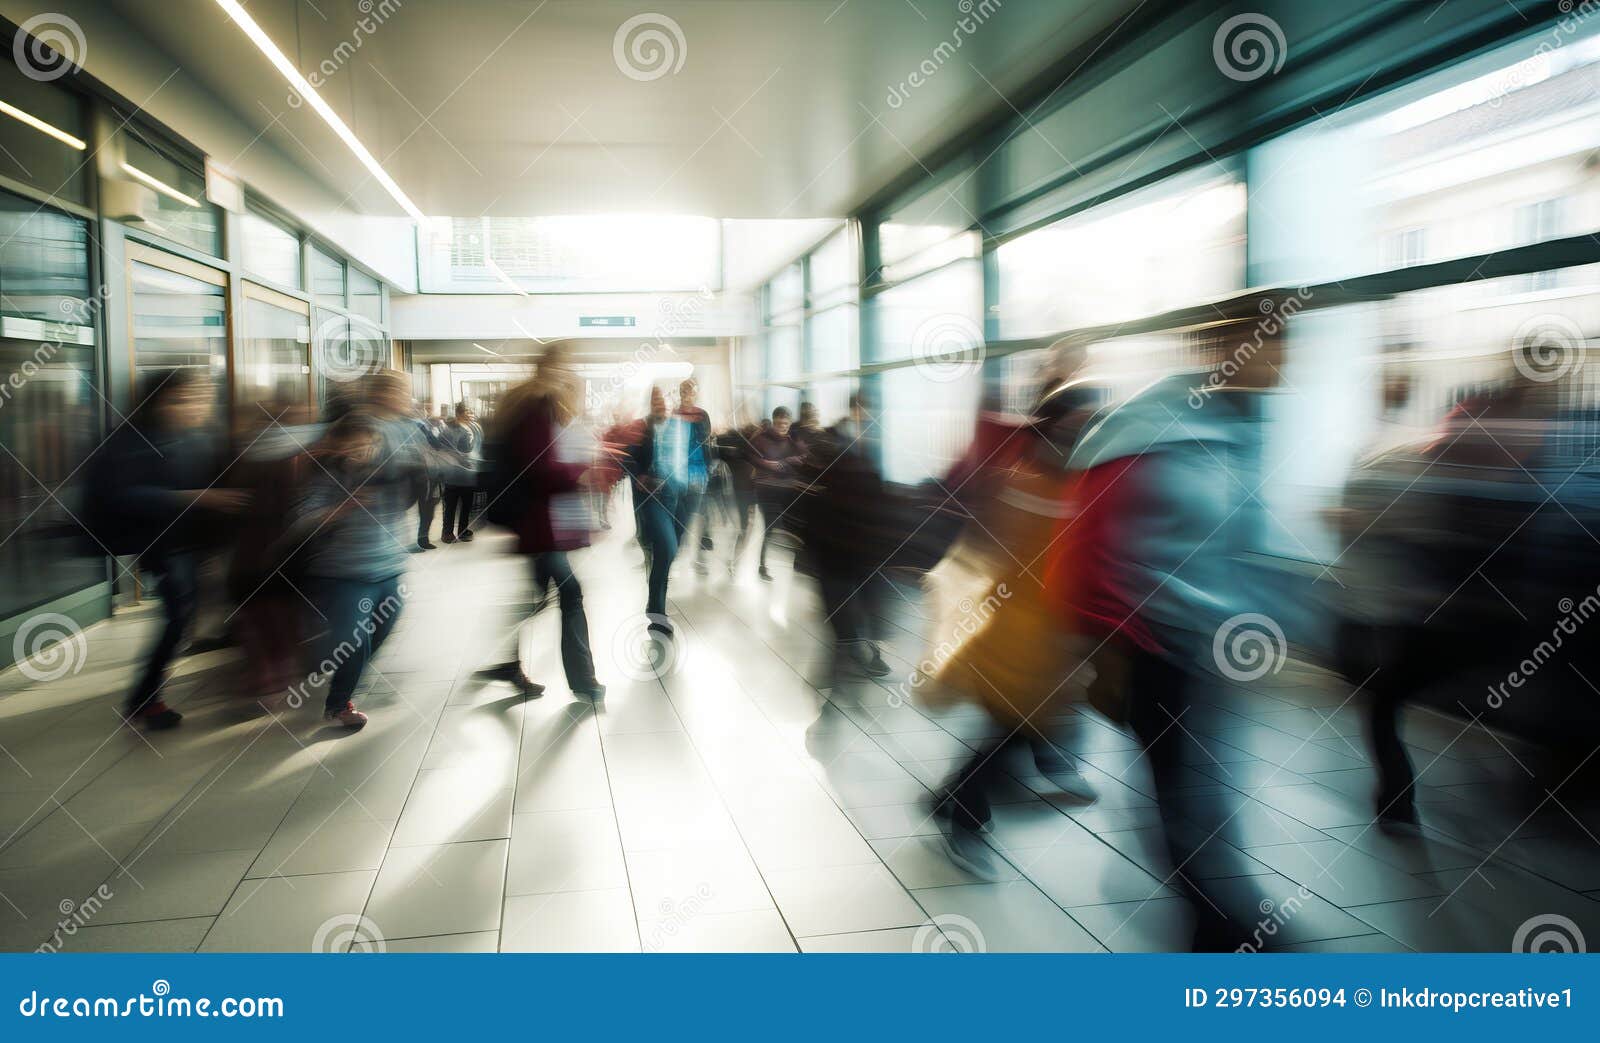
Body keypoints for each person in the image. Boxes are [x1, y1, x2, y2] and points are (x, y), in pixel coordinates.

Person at [1051, 324, 1284, 951]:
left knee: (1198, 785)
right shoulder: (1149, 430)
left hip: (1212, 647)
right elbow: (1087, 552)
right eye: (1276, 343)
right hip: (1157, 647)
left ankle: (1218, 913)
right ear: (1231, 347)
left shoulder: (1242, 431)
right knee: (1182, 785)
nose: (1287, 361)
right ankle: (1218, 922)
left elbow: (1235, 545)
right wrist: (1114, 643)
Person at [86, 369, 247, 729]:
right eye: (184, 399)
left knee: (186, 617)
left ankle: (146, 697)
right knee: (178, 618)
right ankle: (144, 699)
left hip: (197, 542)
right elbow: (120, 497)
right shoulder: (130, 441)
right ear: (158, 400)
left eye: (202, 398)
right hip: (164, 544)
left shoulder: (199, 437)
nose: (197, 406)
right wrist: (196, 498)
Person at [294, 371, 439, 729]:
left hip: (388, 566)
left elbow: (417, 483)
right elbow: (302, 518)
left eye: (370, 444)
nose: (363, 451)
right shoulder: (328, 474)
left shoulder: (390, 468)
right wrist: (339, 510)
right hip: (343, 571)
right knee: (353, 639)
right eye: (355, 444)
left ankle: (341, 672)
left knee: (379, 632)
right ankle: (339, 703)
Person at [483, 351, 605, 700]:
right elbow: (539, 471)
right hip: (537, 526)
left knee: (536, 597)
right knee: (570, 593)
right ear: (551, 370)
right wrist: (580, 468)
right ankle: (584, 681)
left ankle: (508, 661)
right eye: (564, 367)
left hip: (536, 524)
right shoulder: (535, 409)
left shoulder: (536, 408)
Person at [804, 393, 893, 681]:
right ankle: (850, 653)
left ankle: (861, 652)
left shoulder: (869, 443)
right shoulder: (831, 441)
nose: (868, 416)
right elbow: (818, 485)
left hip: (860, 537)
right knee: (841, 600)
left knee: (866, 596)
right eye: (865, 410)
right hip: (834, 538)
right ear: (855, 409)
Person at [630, 384, 695, 631]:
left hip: (680, 496)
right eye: (655, 399)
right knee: (666, 549)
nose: (661, 403)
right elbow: (628, 459)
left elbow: (698, 455)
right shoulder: (641, 427)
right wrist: (640, 476)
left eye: (664, 398)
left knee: (670, 552)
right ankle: (657, 612)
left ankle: (654, 605)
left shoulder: (683, 427)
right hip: (652, 498)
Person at [747, 405, 807, 581]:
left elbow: (805, 456)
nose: (783, 427)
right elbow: (751, 456)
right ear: (774, 422)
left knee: (787, 525)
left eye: (786, 424)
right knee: (770, 525)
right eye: (780, 423)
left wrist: (788, 461)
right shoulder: (761, 439)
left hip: (786, 489)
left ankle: (795, 561)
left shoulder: (791, 441)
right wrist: (770, 465)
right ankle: (762, 564)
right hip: (766, 490)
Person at [440, 403, 480, 543]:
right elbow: (449, 450)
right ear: (459, 413)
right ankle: (447, 534)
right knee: (451, 505)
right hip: (455, 472)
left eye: (470, 411)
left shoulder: (470, 427)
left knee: (466, 504)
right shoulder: (451, 429)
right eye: (467, 411)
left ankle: (463, 531)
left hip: (467, 473)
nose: (470, 414)